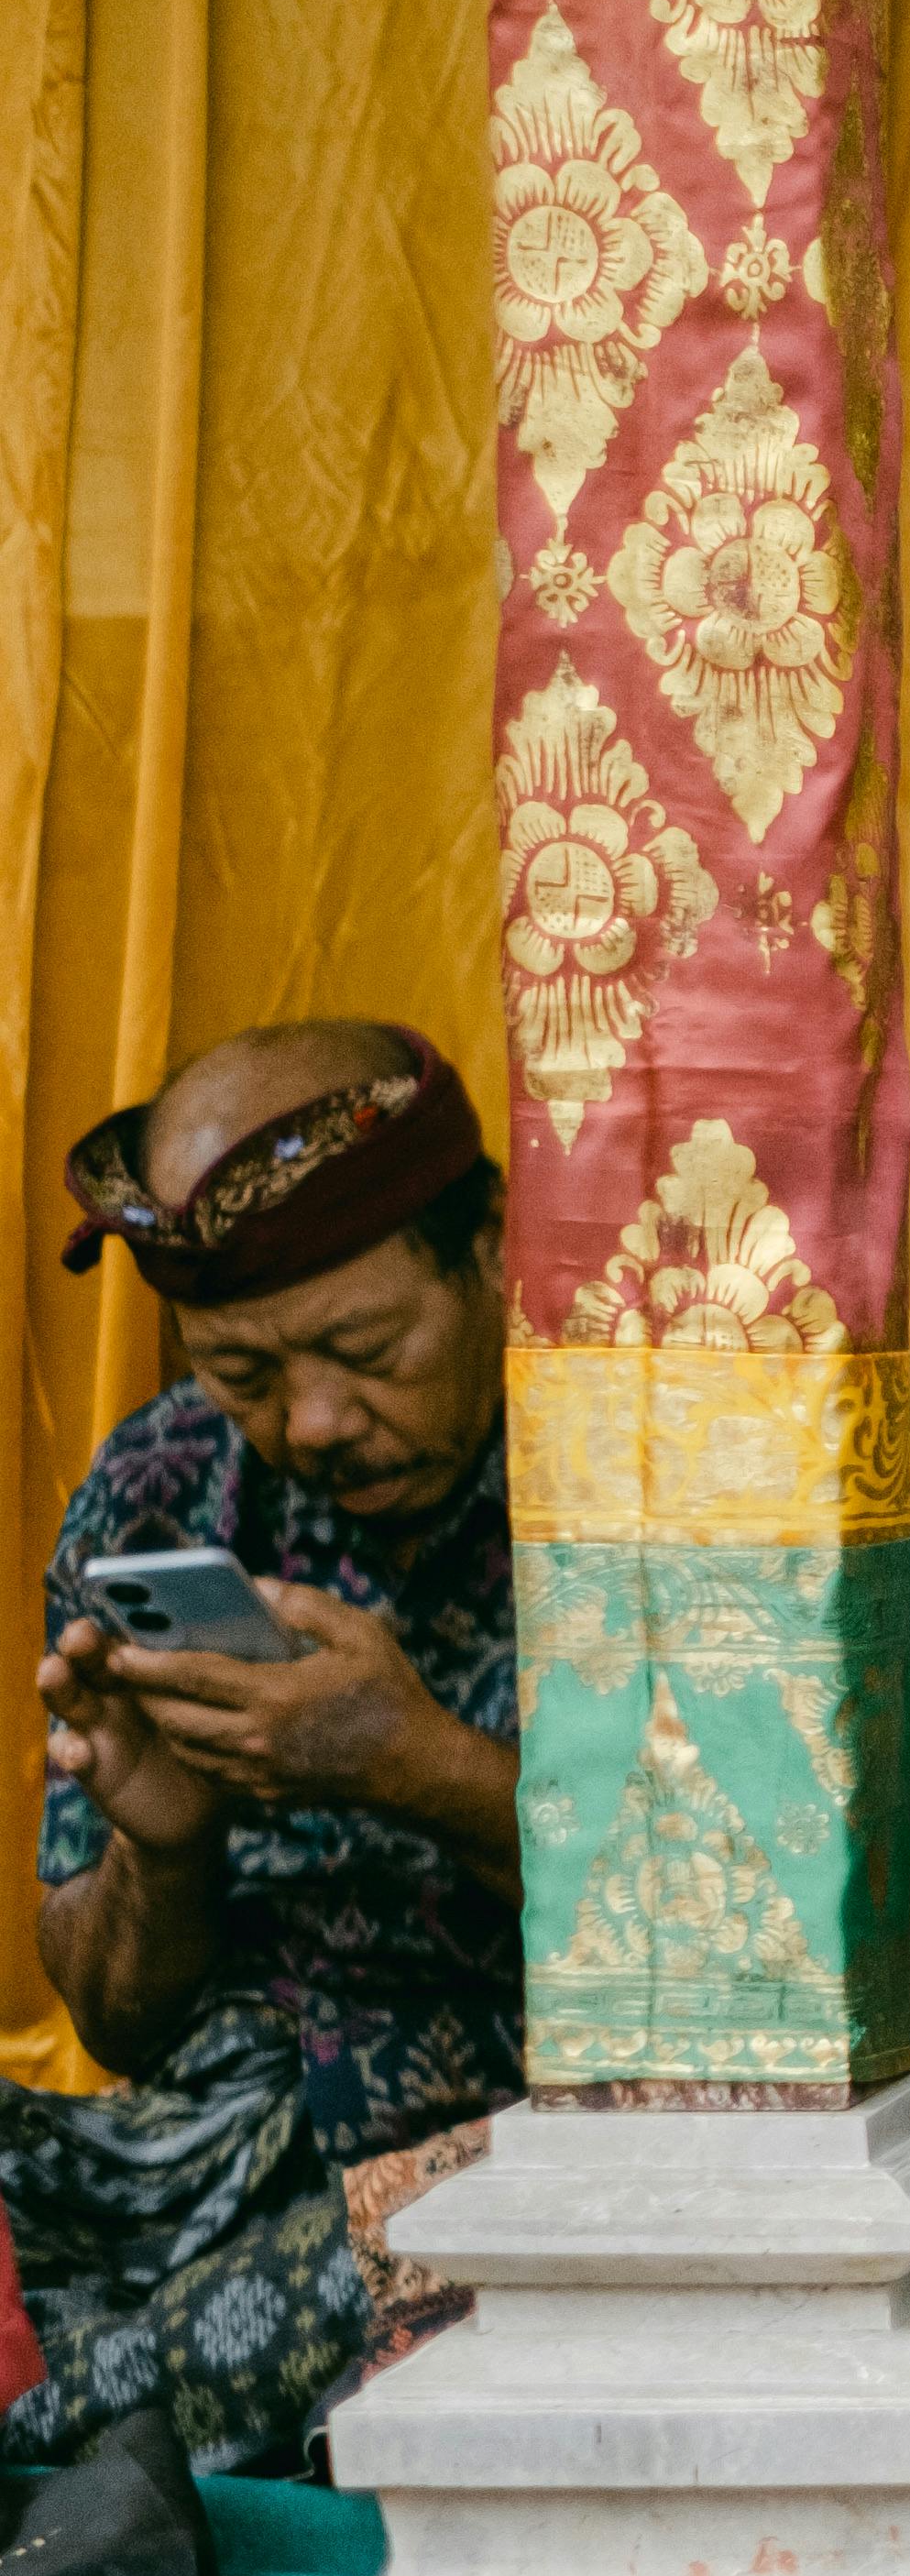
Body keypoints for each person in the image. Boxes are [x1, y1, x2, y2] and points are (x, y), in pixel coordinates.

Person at [13, 1026, 520, 2471]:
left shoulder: (647, 1484)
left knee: (264, 2321)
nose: (308, 1423)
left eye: (362, 1352)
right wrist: (161, 1847)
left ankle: (70, 2431)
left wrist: (411, 1764)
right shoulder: (157, 1490)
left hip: (516, 2154)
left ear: (491, 1249)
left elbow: (754, 1963)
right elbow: (116, 2023)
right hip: (204, 2141)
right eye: (242, 1372)